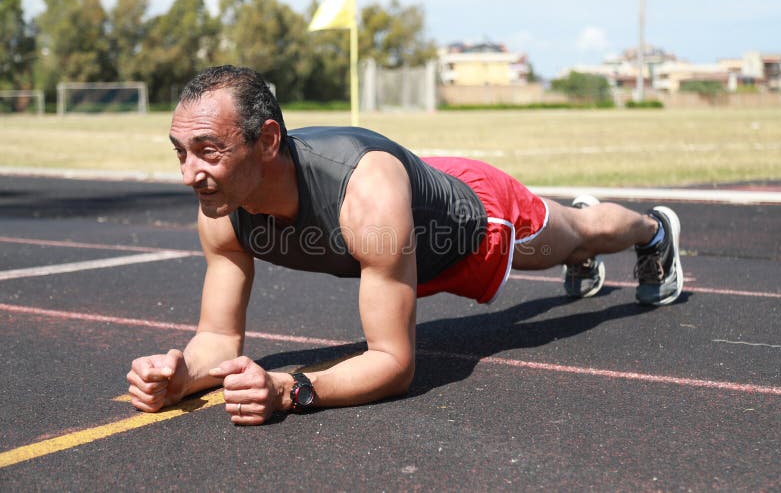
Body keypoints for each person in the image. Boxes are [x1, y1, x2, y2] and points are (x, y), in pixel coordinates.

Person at [127, 65, 683, 425]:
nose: (188, 173)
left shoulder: (363, 196)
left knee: (576, 233)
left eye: (207, 150)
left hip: (476, 225)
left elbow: (394, 362)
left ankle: (653, 231)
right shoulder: (223, 210)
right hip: (407, 202)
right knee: (571, 241)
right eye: (181, 151)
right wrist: (182, 374)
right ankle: (587, 244)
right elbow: (218, 338)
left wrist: (293, 388)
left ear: (267, 140)